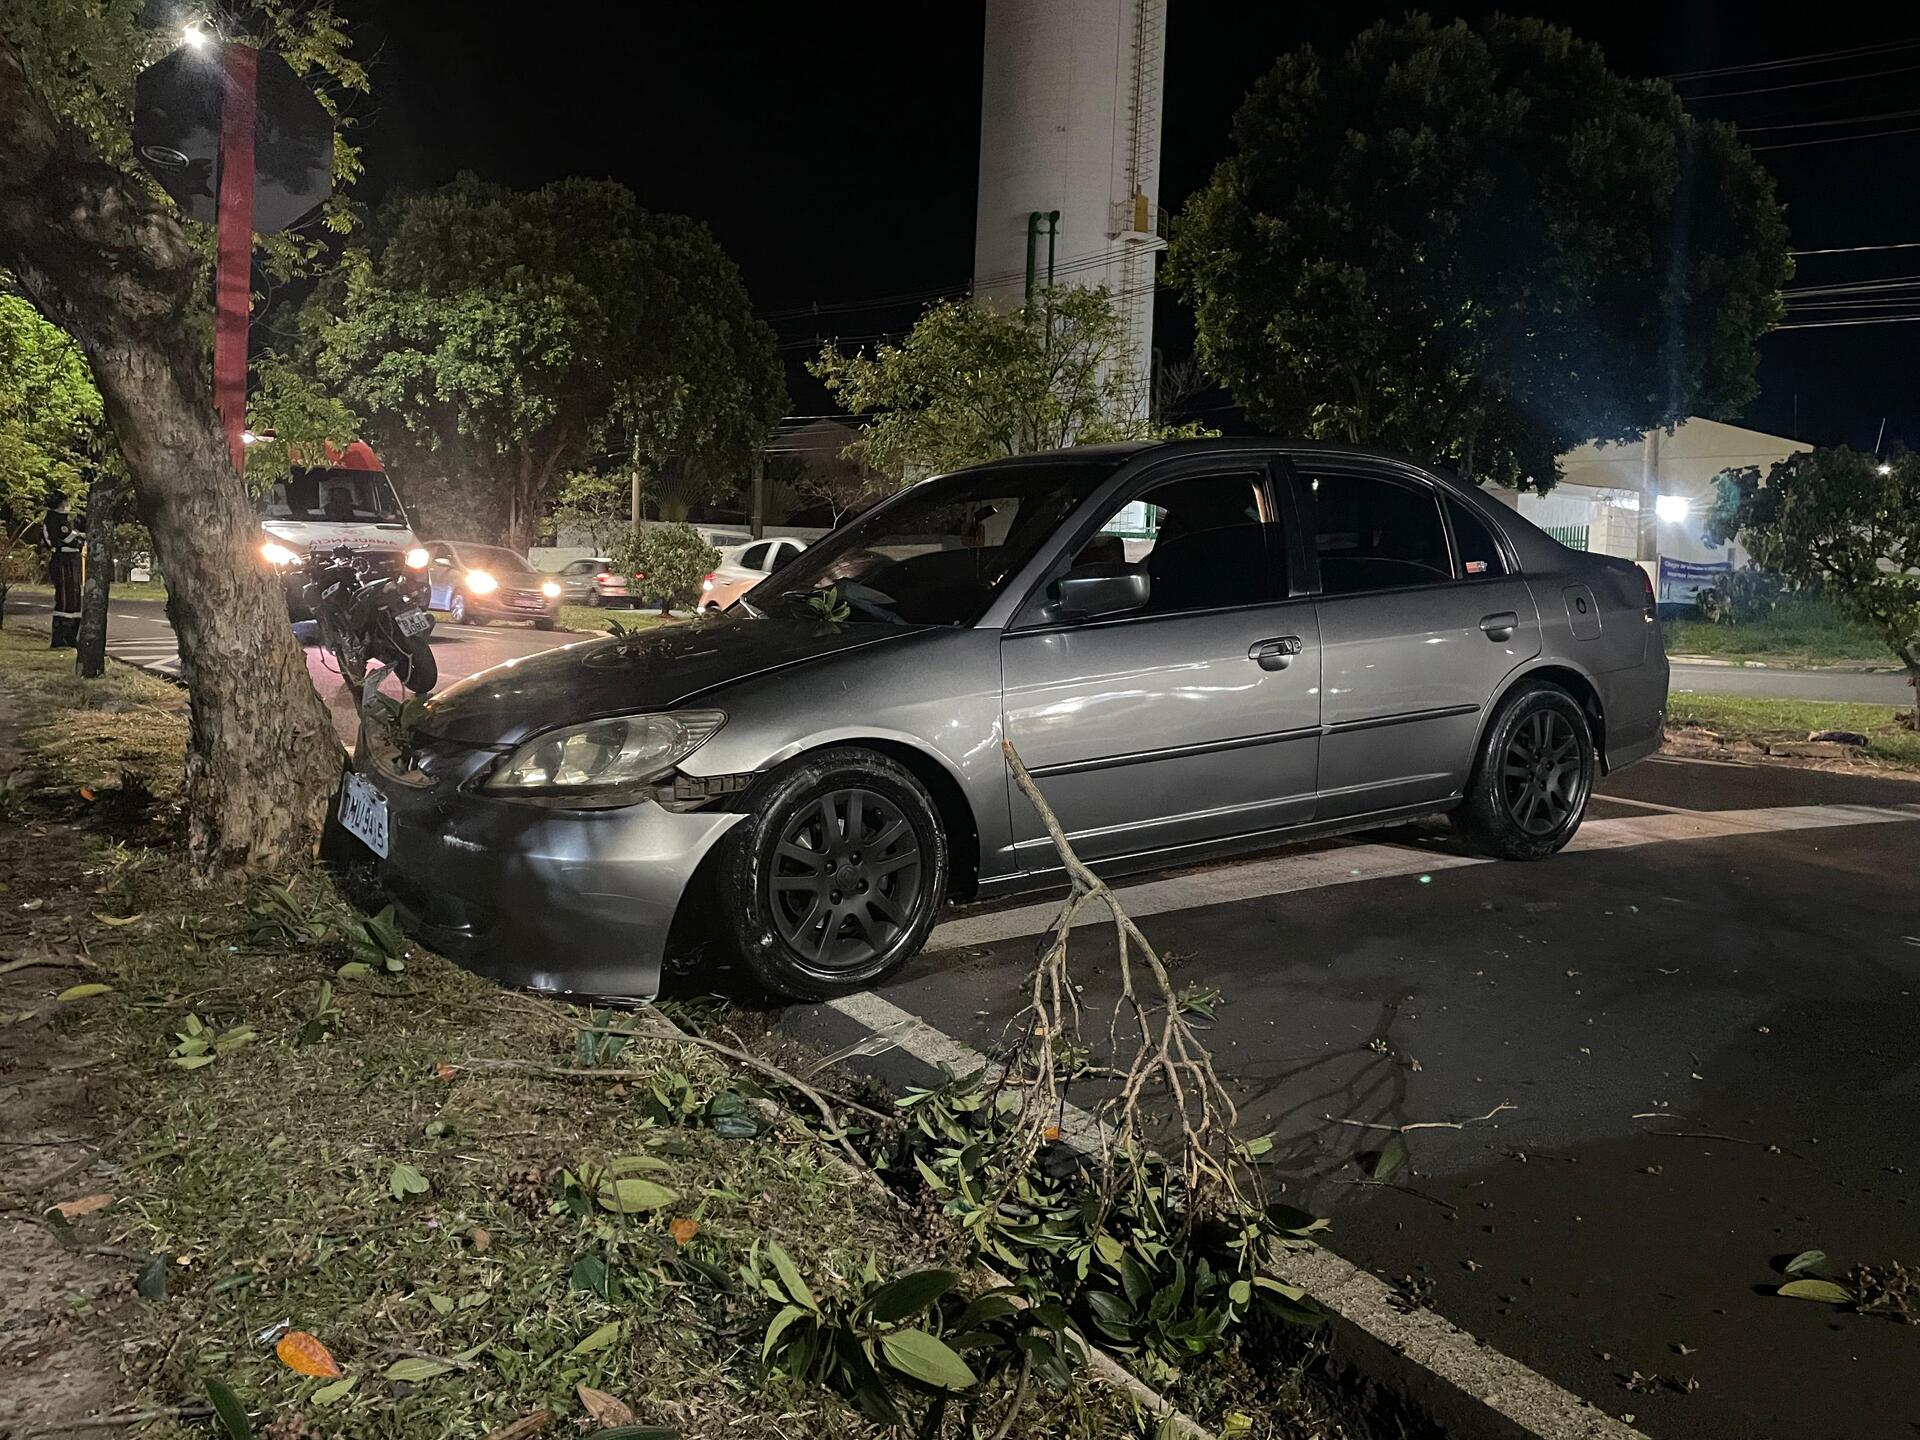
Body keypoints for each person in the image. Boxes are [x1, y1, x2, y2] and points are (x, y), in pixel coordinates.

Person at [42, 490, 84, 649]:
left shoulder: (59, 520)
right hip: (64, 560)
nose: (69, 505)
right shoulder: (55, 520)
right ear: (61, 504)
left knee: (73, 596)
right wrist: (79, 539)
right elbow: (70, 539)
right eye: (66, 502)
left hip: (69, 559)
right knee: (66, 598)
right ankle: (63, 638)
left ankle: (70, 637)